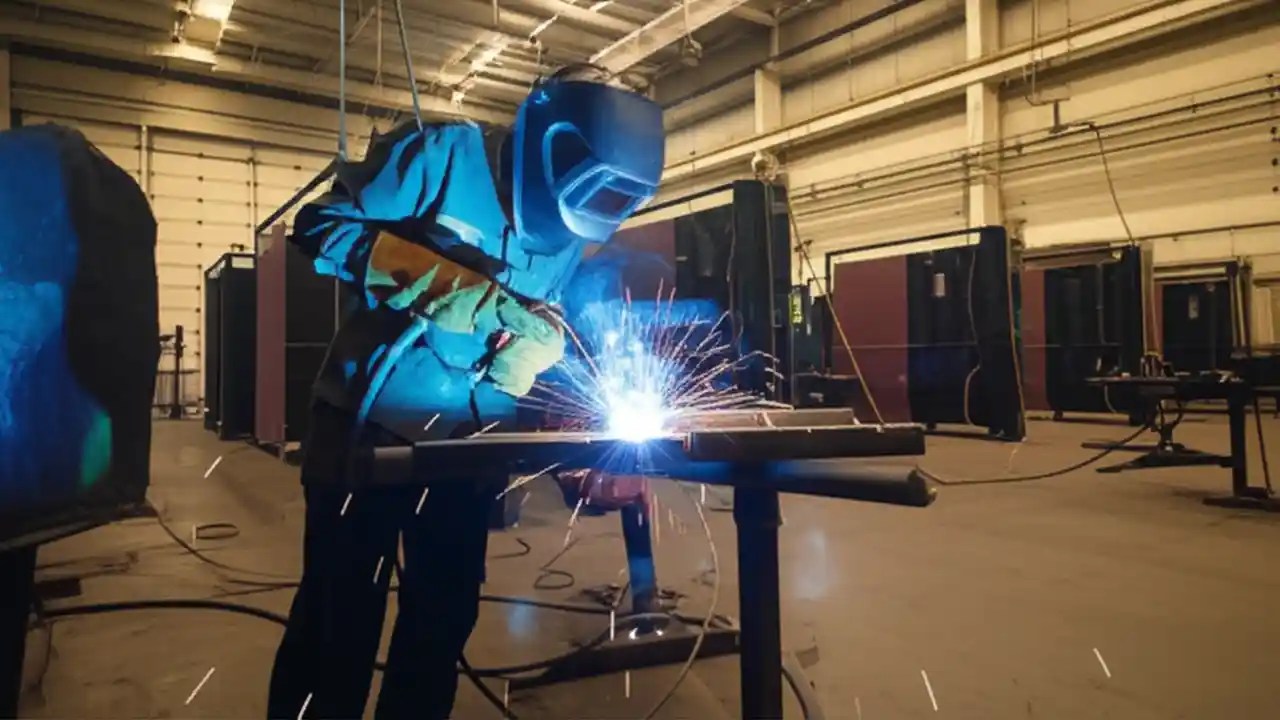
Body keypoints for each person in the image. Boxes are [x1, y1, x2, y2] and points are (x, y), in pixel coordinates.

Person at [265, 65, 665, 719]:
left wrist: (555, 379)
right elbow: (321, 226)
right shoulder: (442, 155)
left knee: (442, 621)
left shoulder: (574, 226)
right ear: (546, 145)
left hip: (467, 449)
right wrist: (447, 287)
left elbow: (541, 315)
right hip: (366, 426)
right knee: (339, 626)